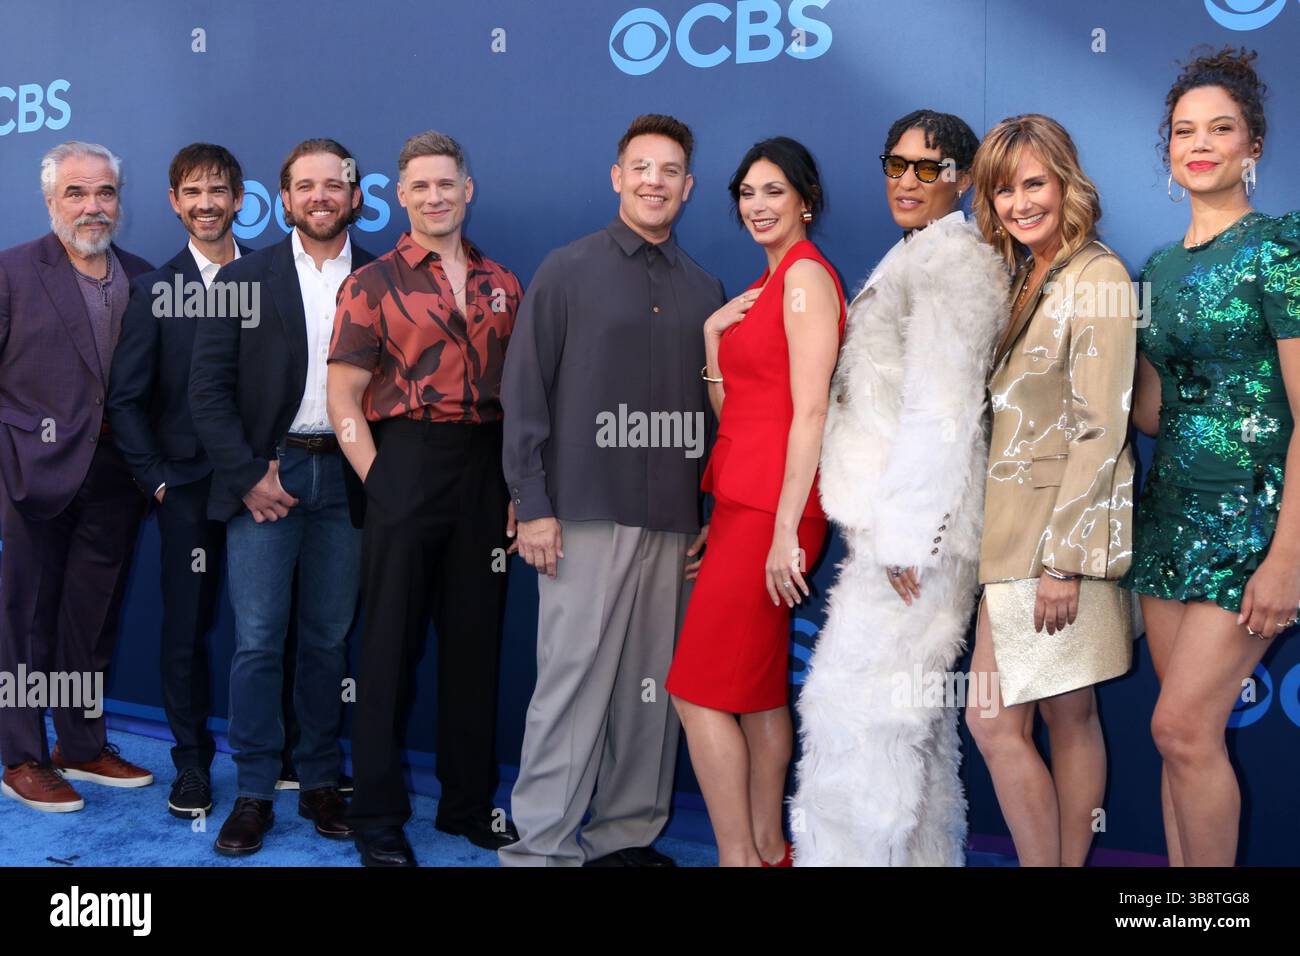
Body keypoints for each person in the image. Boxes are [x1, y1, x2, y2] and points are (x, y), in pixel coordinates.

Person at [499, 114, 725, 867]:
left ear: (687, 188)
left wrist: (707, 513)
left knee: (650, 692)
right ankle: (541, 848)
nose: (654, 181)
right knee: (570, 687)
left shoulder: (705, 288)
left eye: (669, 171)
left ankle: (624, 838)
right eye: (641, 167)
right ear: (617, 177)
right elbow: (525, 394)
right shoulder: (566, 270)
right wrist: (531, 506)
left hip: (669, 520)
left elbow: (713, 415)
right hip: (583, 512)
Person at [792, 110, 1007, 866]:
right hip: (896, 530)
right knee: (909, 729)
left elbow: (944, 409)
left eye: (929, 166)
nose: (908, 180)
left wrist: (911, 534)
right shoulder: (919, 253)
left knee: (857, 719)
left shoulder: (954, 260)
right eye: (896, 164)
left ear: (961, 178)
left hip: (915, 538)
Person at [1121, 47, 1300, 866]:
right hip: (1170, 518)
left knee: (1180, 727)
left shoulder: (1279, 249)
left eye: (1220, 128)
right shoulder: (1156, 268)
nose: (1200, 143)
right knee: (1181, 742)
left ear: (1252, 145)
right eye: (1185, 131)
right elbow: (1153, 413)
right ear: (1169, 151)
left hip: (1254, 519)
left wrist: (1287, 560)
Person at [329, 130, 523, 867]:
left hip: (485, 470)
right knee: (386, 650)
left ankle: (466, 804)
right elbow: (343, 394)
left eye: (447, 184)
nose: (435, 196)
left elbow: (521, 398)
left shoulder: (504, 281)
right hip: (402, 460)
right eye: (420, 187)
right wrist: (382, 482)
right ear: (399, 195)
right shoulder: (372, 282)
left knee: (476, 644)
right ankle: (377, 816)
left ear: (466, 190)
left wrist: (516, 487)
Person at [189, 138, 375, 856]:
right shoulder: (247, 275)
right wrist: (246, 476)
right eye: (306, 186)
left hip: (350, 479)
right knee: (259, 642)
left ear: (356, 195)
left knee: (328, 640)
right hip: (270, 476)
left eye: (335, 184)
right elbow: (206, 391)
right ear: (284, 197)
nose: (321, 196)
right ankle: (255, 792)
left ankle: (322, 778)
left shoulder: (387, 275)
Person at [665, 137, 844, 867]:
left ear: (806, 199)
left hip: (778, 510)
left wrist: (779, 535)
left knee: (695, 694)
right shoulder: (767, 285)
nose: (759, 206)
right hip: (744, 504)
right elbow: (735, 408)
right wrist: (713, 337)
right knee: (762, 691)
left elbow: (811, 413)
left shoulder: (804, 280)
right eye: (747, 193)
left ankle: (739, 857)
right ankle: (771, 851)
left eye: (774, 191)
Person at [966, 114, 1138, 866]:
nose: (1019, 202)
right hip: (1006, 534)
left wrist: (1064, 561)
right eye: (1003, 189)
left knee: (1011, 722)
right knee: (1064, 716)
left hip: (1055, 539)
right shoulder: (1017, 274)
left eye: (1033, 182)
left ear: (1066, 180)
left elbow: (1104, 426)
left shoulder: (1097, 275)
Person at [0, 141, 155, 812]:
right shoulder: (11, 273)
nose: (92, 206)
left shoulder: (146, 277)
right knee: (26, 622)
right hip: (28, 476)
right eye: (76, 193)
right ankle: (21, 755)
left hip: (115, 482)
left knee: (89, 623)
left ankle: (80, 745)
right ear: (50, 200)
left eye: (105, 193)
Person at [107, 143, 251, 820]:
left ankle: (268, 762)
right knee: (185, 630)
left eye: (217, 190)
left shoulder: (271, 281)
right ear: (173, 201)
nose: (205, 204)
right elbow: (125, 400)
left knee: (267, 628)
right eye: (192, 192)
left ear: (239, 198)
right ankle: (190, 765)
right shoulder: (151, 290)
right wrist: (157, 484)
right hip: (185, 492)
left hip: (262, 486)